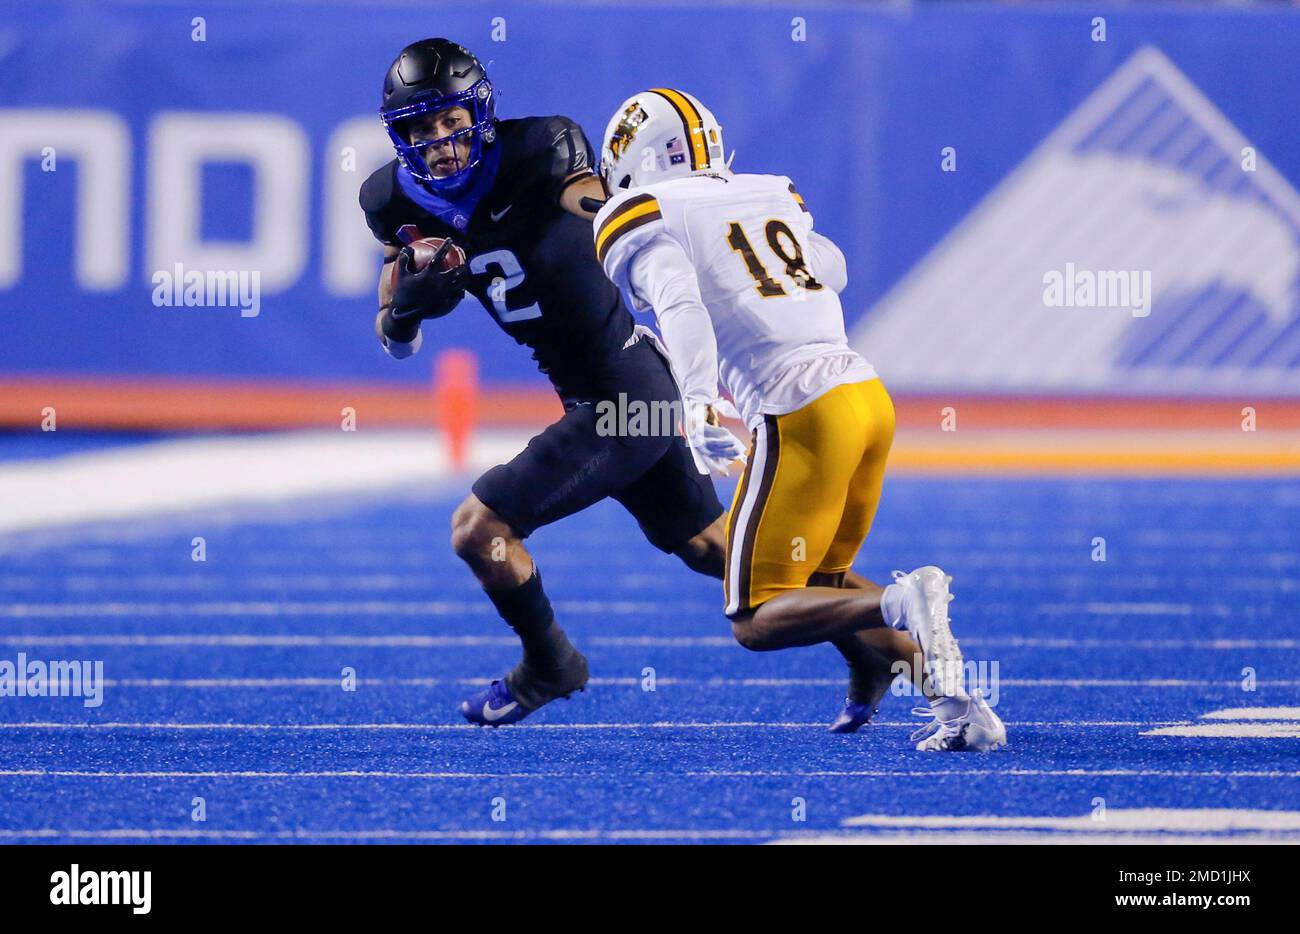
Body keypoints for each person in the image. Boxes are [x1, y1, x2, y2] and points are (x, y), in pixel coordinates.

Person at [361, 41, 898, 727]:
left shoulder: (542, 151)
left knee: (478, 529)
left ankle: (550, 662)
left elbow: (605, 204)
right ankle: (891, 647)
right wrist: (407, 307)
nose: (439, 140)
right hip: (602, 394)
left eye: (450, 120)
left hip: (628, 397)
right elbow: (393, 333)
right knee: (721, 551)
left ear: (480, 111)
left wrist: (679, 217)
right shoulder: (390, 198)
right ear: (399, 137)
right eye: (420, 128)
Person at [594, 89, 1007, 750]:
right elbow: (828, 270)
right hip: (866, 398)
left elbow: (681, 300)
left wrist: (698, 398)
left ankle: (904, 600)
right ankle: (962, 712)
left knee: (756, 616)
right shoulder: (768, 190)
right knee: (822, 584)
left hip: (801, 412)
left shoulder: (642, 213)